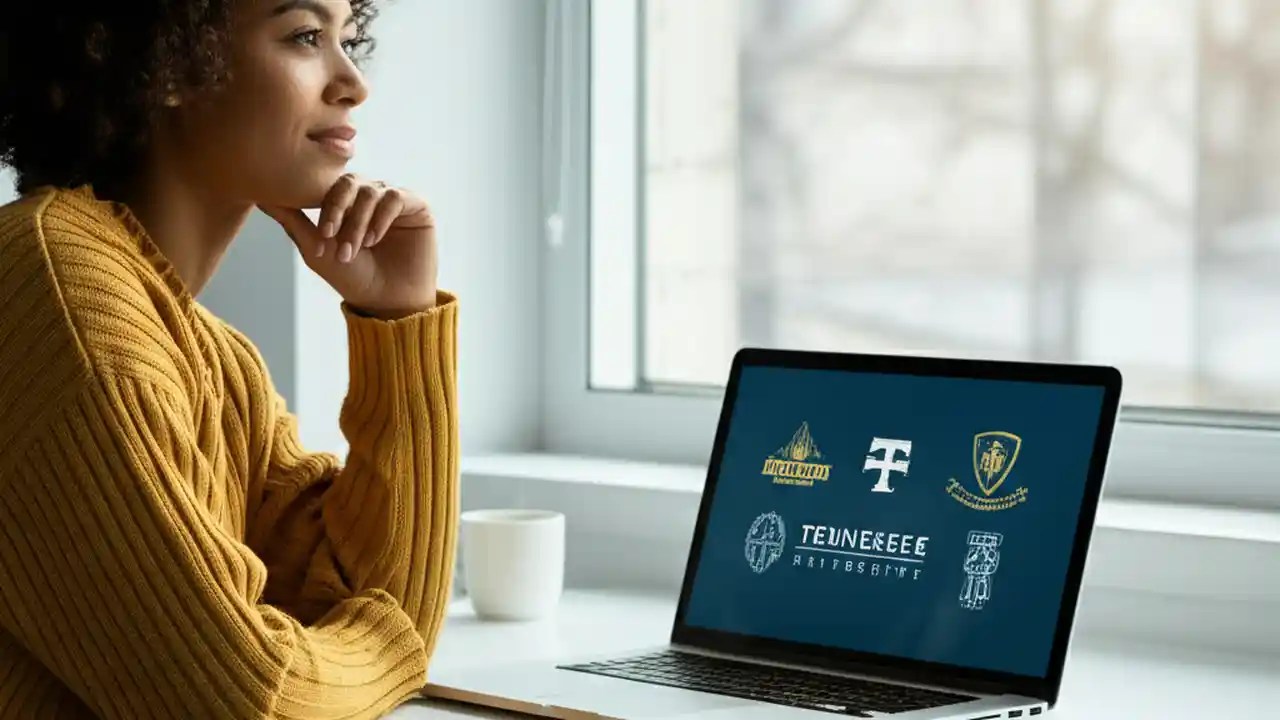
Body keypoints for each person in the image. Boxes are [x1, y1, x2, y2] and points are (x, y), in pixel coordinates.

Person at [0, 2, 458, 718]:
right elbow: (243, 701)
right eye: (305, 36)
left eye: (348, 38)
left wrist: (400, 316)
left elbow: (364, 591)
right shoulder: (58, 295)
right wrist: (392, 648)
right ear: (167, 64)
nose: (353, 83)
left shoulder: (218, 360)